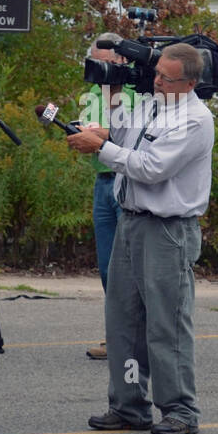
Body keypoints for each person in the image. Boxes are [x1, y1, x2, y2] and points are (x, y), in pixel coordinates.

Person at [66, 43, 215, 434]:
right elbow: (124, 133)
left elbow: (151, 167)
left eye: (167, 78)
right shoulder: (153, 104)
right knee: (123, 320)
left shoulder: (196, 120)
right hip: (131, 221)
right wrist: (110, 98)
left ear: (191, 82)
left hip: (168, 230)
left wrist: (101, 147)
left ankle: (181, 409)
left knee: (167, 322)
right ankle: (128, 405)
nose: (157, 81)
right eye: (157, 74)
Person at [79, 32, 135, 360]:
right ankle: (116, 338)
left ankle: (136, 339)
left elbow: (140, 139)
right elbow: (93, 132)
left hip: (126, 180)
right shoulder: (92, 93)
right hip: (101, 181)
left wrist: (104, 134)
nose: (101, 70)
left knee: (130, 263)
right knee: (107, 267)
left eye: (107, 64)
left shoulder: (138, 94)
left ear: (121, 62)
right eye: (95, 64)